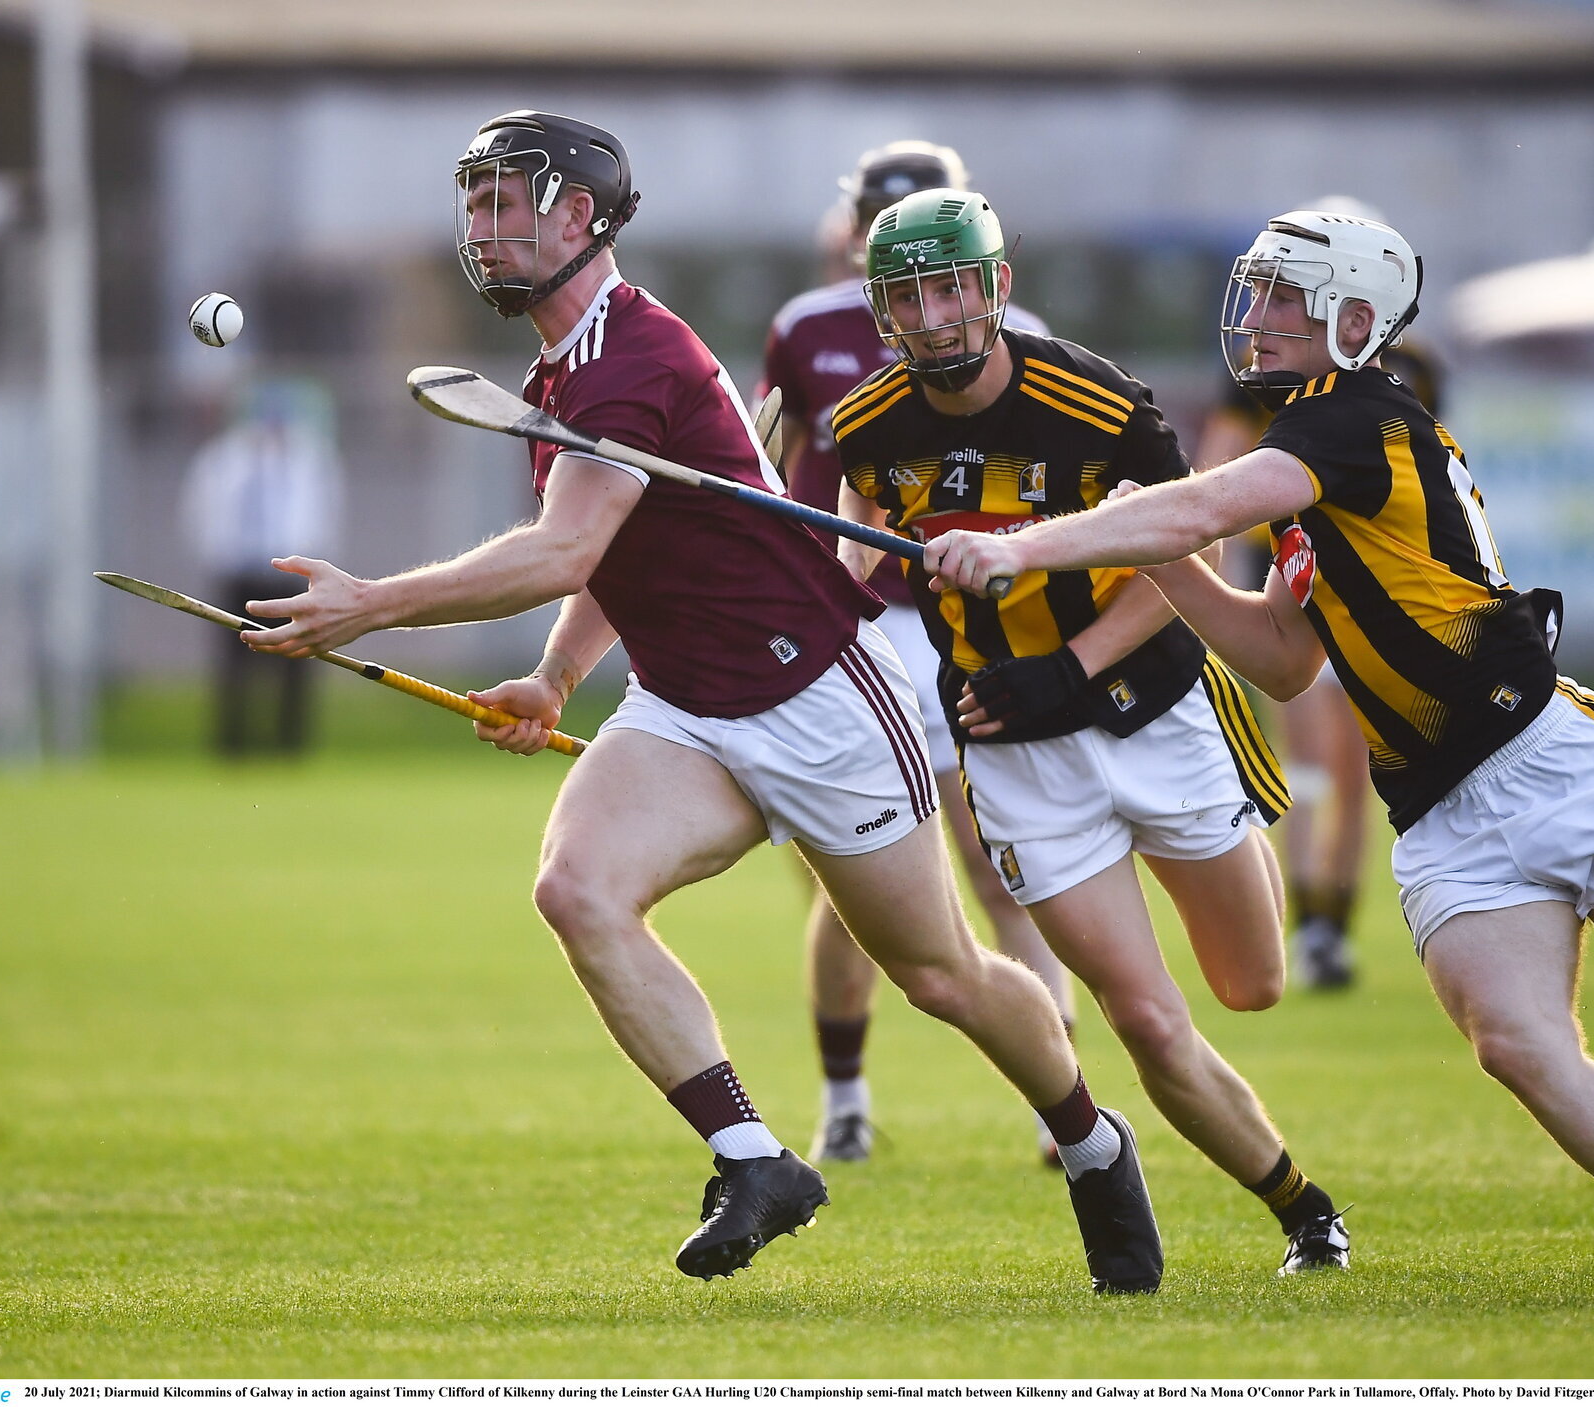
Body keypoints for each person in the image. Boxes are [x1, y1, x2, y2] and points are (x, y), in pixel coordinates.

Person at [236, 109, 1162, 1293]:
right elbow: (614, 559)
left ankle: (1090, 1144)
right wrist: (558, 676)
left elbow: (558, 551)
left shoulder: (634, 358)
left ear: (580, 214)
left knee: (940, 978)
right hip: (684, 708)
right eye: (473, 204)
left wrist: (372, 603)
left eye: (501, 201)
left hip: (816, 697)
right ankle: (753, 1158)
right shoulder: (559, 372)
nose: (481, 227)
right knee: (577, 889)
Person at [922, 207, 1594, 1298]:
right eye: (1258, 293)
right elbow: (1286, 659)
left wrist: (1023, 544)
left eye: (1286, 300)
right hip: (1438, 812)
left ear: (1355, 316)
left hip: (1544, 754)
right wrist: (1163, 565)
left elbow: (1198, 506)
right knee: (1515, 1045)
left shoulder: (1353, 419)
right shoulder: (1301, 438)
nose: (1259, 318)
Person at [834, 186, 1351, 1275]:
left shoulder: (1097, 402)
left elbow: (1180, 559)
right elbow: (858, 560)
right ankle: (1301, 1207)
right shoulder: (866, 425)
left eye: (947, 288)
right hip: (1013, 750)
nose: (928, 317)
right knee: (1146, 1024)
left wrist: (1068, 668)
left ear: (993, 288)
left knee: (1248, 984)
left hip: (1154, 711)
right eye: (904, 297)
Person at [759, 140, 1072, 1166]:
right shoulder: (805, 331)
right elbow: (759, 468)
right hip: (848, 624)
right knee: (863, 878)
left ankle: (1053, 1092)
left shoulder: (1020, 337)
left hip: (975, 629)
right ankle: (844, 1099)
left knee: (998, 864)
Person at [1196, 197, 1445, 989]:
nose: (1265, 315)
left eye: (1288, 292)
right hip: (1302, 586)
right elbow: (1217, 476)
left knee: (1358, 769)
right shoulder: (1275, 373)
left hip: (1378, 602)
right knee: (1311, 766)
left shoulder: (1403, 383)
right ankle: (1312, 927)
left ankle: (1330, 925)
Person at [179, 377, 344, 756]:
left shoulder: (311, 458)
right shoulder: (222, 458)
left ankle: (289, 747)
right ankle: (233, 746)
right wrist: (218, 555)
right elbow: (199, 511)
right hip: (239, 573)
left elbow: (326, 512)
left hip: (290, 576)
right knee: (234, 665)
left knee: (296, 662)